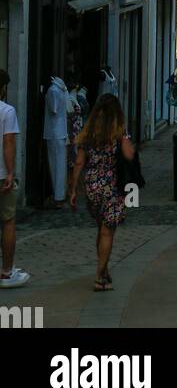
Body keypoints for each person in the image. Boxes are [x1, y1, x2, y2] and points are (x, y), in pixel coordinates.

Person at [70, 94, 136, 292]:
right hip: (113, 186)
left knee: (101, 228)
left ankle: (104, 271)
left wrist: (73, 189)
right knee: (108, 230)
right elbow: (129, 155)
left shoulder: (88, 132)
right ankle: (100, 276)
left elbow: (79, 162)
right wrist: (126, 140)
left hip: (92, 186)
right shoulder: (119, 132)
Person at [0, 69, 29, 289]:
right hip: (0, 175)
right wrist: (11, 172)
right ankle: (7, 271)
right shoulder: (6, 111)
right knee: (8, 221)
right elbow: (8, 142)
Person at [43, 73, 69, 208]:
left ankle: (58, 195)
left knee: (55, 165)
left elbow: (53, 109)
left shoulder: (53, 90)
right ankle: (60, 194)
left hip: (54, 132)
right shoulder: (61, 90)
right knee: (60, 165)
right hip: (60, 131)